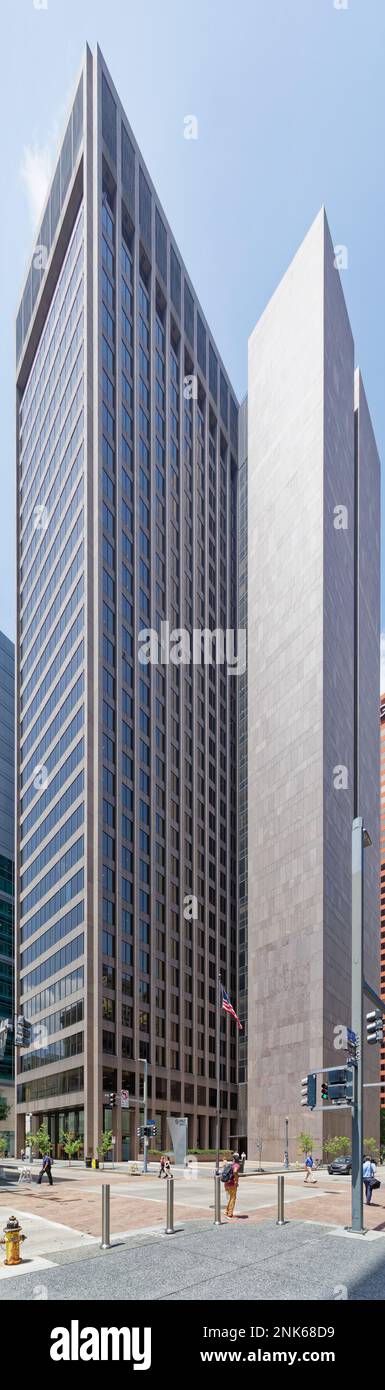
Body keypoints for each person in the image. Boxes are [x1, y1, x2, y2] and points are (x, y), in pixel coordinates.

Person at [224, 1152, 241, 1218]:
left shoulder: (230, 1164)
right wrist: (236, 1180)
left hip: (226, 1183)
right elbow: (235, 1171)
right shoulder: (236, 1165)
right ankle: (230, 1213)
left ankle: (227, 1211)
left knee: (230, 1198)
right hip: (232, 1184)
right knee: (233, 1198)